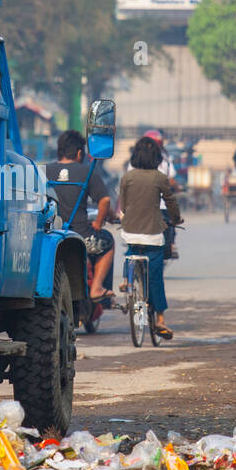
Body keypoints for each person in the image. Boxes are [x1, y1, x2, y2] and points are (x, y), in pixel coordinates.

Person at [119, 136, 180, 341]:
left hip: (130, 230)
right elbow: (171, 202)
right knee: (155, 277)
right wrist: (176, 219)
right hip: (153, 234)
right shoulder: (159, 178)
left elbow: (123, 206)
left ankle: (127, 279)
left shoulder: (127, 178)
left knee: (131, 251)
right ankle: (160, 319)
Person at [43, 130, 115, 301]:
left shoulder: (45, 170)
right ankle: (96, 287)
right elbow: (104, 201)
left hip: (52, 237)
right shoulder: (87, 171)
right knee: (108, 242)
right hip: (82, 237)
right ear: (79, 153)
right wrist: (99, 222)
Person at [126, 129, 180, 259]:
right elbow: (170, 194)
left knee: (130, 250)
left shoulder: (132, 165)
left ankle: (128, 278)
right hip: (159, 210)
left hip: (136, 211)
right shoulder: (164, 164)